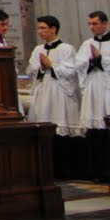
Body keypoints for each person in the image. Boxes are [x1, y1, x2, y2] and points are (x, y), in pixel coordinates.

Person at [28, 14, 83, 177]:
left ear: (53, 29)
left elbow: (72, 72)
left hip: (60, 94)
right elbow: (31, 70)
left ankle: (66, 170)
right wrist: (41, 68)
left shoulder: (67, 49)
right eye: (38, 28)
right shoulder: (38, 49)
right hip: (43, 92)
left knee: (61, 129)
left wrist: (52, 65)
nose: (40, 31)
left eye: (43, 28)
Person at [77, 11, 110, 181]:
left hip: (107, 90)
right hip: (92, 90)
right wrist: (91, 61)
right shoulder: (86, 44)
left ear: (105, 23)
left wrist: (101, 58)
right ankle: (96, 172)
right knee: (94, 132)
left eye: (95, 23)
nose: (91, 27)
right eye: (89, 24)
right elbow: (78, 65)